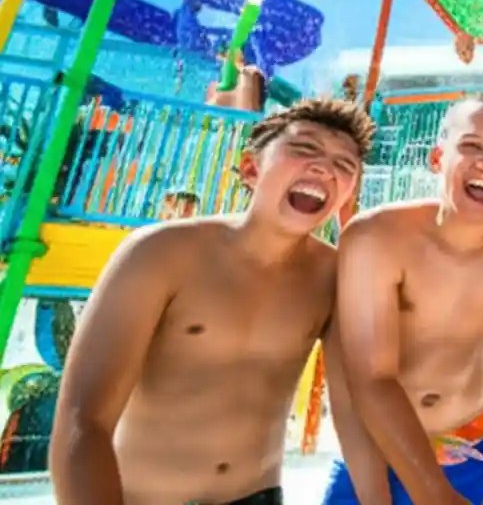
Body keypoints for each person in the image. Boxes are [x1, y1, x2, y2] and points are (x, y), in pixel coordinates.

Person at [49, 98, 374, 505]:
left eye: (345, 167)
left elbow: (357, 408)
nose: (325, 169)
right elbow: (84, 421)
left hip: (258, 496)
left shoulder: (335, 277)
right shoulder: (160, 254)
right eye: (305, 149)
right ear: (252, 168)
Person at [326, 91, 483, 505]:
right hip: (379, 446)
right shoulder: (375, 238)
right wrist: (432, 493)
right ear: (436, 158)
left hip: (475, 447)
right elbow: (372, 377)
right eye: (471, 145)